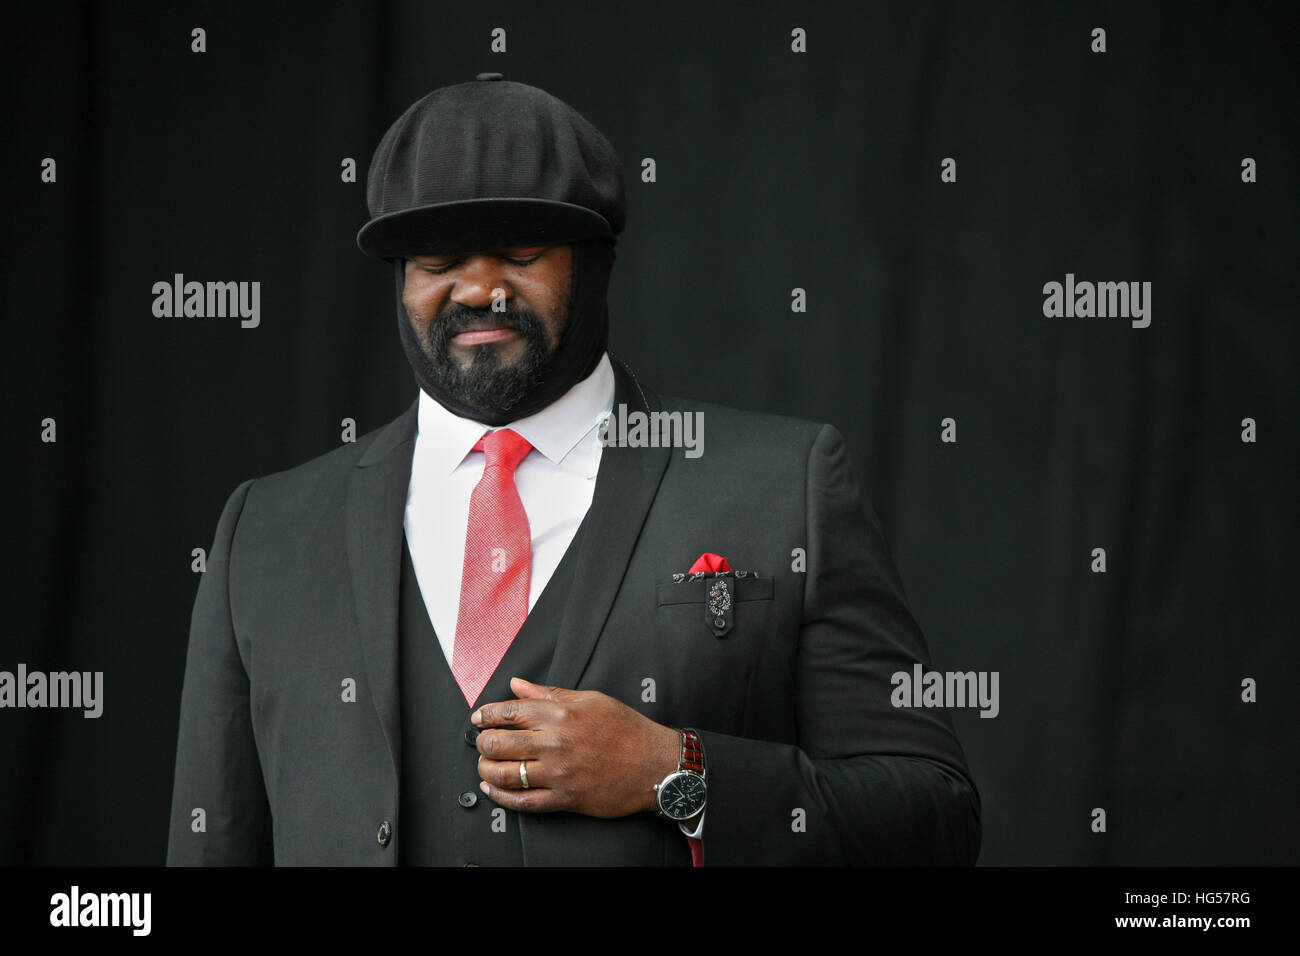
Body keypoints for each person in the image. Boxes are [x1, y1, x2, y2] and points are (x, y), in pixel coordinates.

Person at [165, 73, 981, 866]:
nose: (477, 287)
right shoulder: (266, 530)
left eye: (520, 251)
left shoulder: (784, 486)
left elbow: (933, 818)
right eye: (437, 259)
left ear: (597, 261)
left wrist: (677, 772)